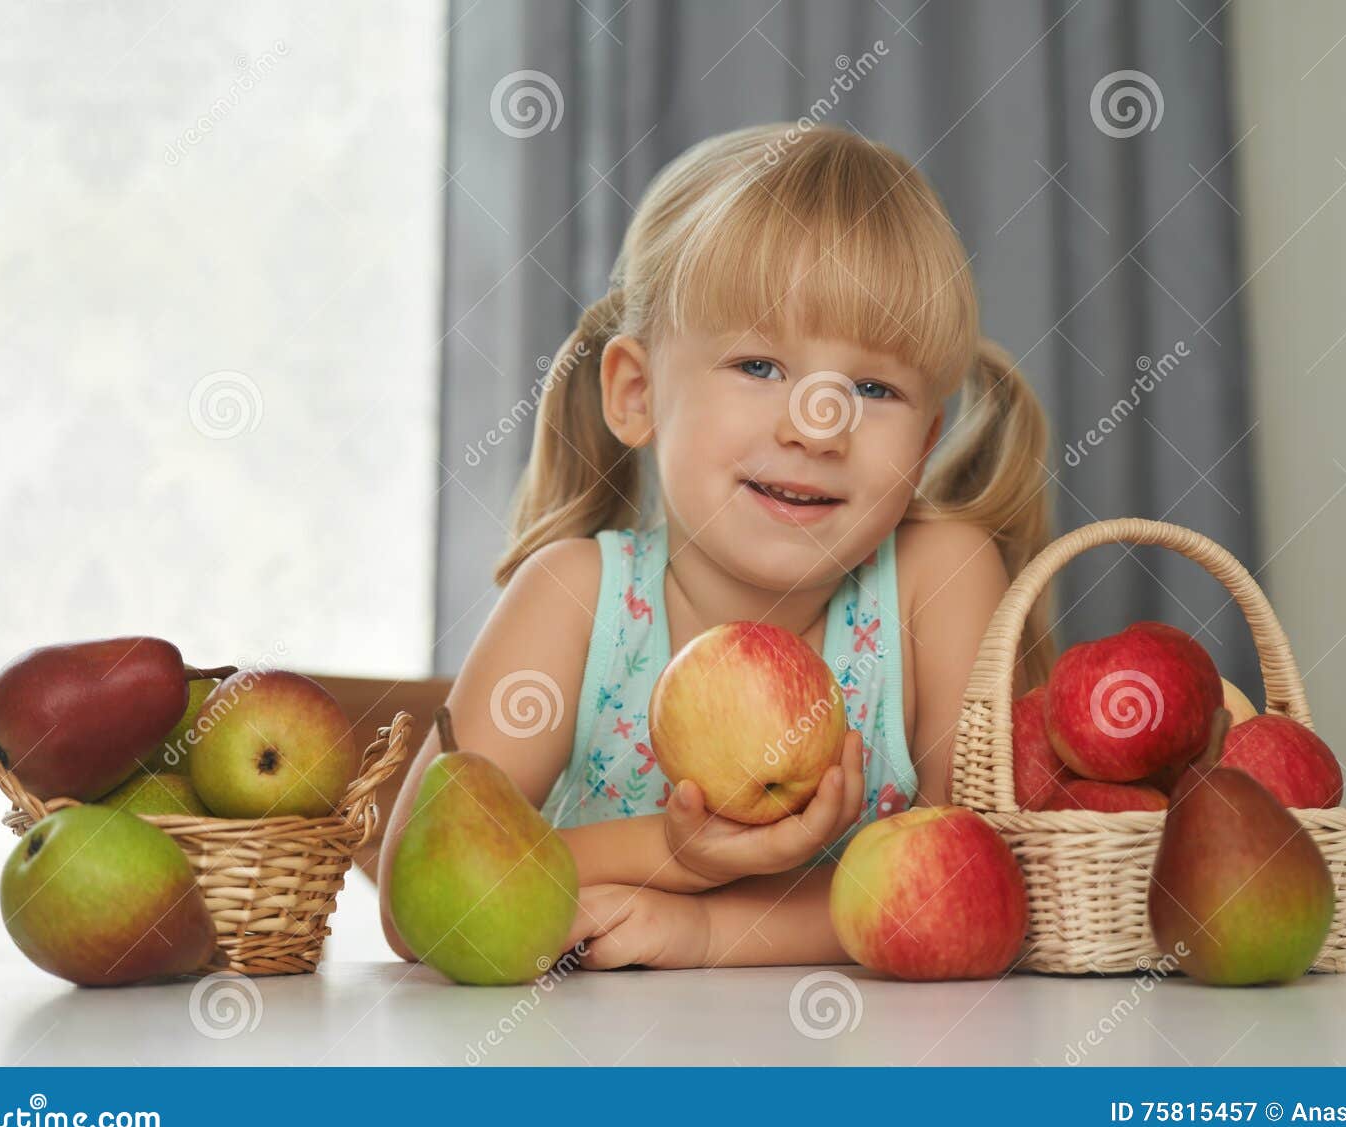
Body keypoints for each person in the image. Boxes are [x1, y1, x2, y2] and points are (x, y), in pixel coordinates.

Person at [379, 122, 1055, 970]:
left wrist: (707, 931)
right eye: (760, 366)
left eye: (872, 387)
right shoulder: (574, 597)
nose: (816, 426)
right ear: (636, 393)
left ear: (923, 445)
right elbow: (415, 904)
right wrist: (674, 849)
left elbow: (985, 875)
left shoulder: (941, 577)